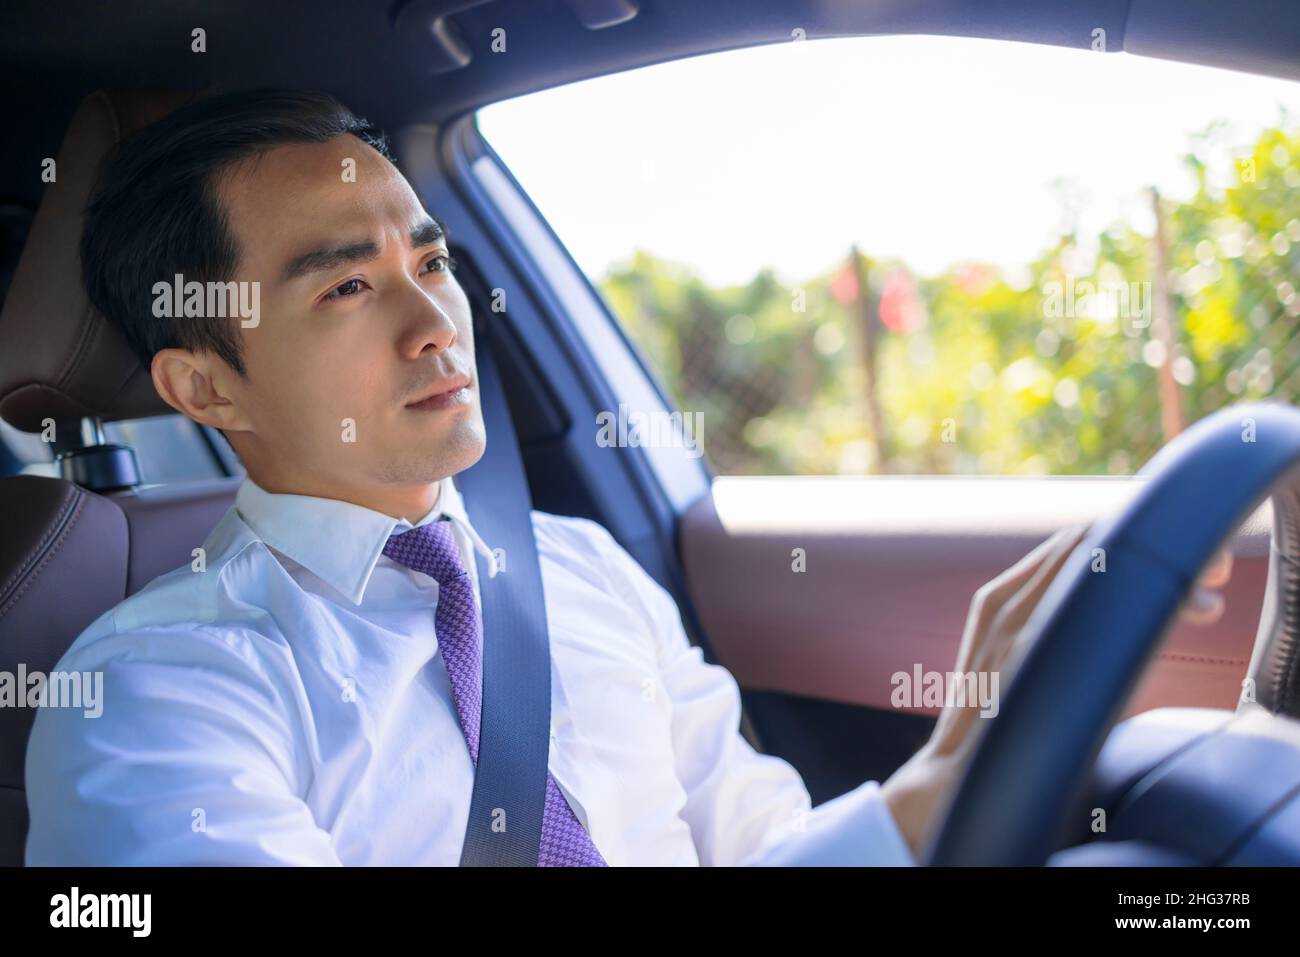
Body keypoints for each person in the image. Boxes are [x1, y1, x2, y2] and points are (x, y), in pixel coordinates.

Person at [23, 90, 1232, 866]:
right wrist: (932, 789)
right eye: (347, 286)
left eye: (430, 263)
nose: (436, 324)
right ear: (206, 389)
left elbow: (764, 843)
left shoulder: (581, 571)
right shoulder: (154, 693)